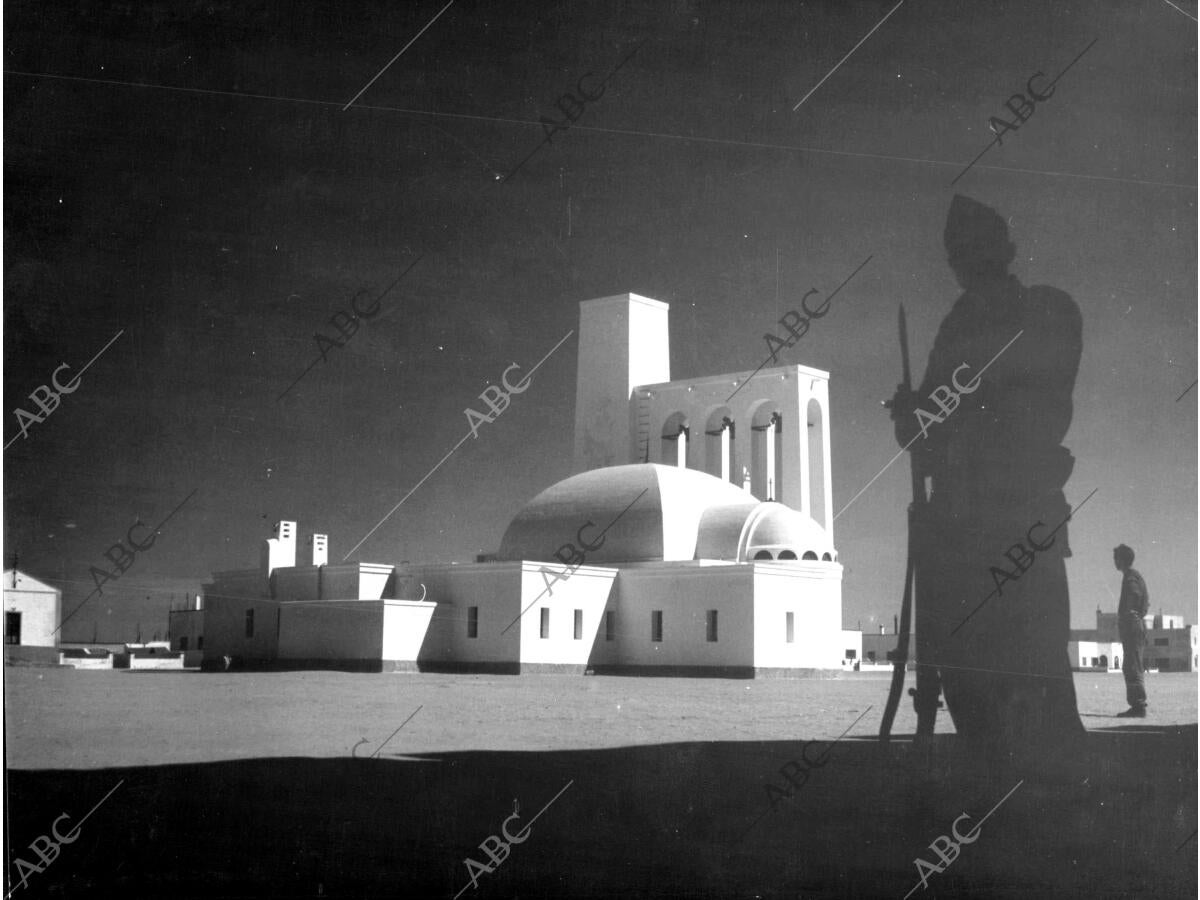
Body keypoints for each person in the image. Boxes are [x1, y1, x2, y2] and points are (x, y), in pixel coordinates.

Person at [889, 194, 1086, 754]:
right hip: (975, 520)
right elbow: (930, 423)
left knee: (1025, 668)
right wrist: (917, 418)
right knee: (983, 674)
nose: (965, 266)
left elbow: (1021, 413)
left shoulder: (1032, 314)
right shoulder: (995, 318)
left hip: (999, 516)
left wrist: (921, 418)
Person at [1113, 543, 1149, 717]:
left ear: (1122, 559)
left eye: (1116, 558)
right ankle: (1137, 705)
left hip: (1132, 626)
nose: (1115, 561)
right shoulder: (1134, 575)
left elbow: (1135, 594)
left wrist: (1129, 612)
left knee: (1132, 665)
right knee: (1132, 664)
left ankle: (1138, 706)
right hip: (1135, 626)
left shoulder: (1130, 577)